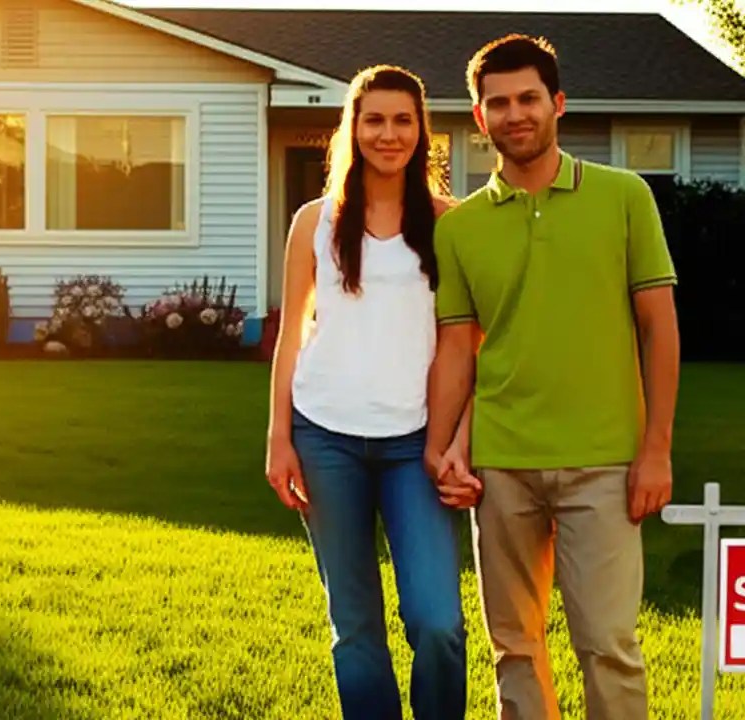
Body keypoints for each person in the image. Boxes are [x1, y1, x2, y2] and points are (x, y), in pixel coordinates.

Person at [426, 34, 681, 720]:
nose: (515, 114)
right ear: (480, 119)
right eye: (498, 103)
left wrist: (655, 447)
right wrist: (439, 444)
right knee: (514, 646)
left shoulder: (624, 198)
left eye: (529, 99)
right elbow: (458, 347)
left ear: (558, 104)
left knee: (607, 643)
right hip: (501, 464)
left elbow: (660, 328)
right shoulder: (460, 229)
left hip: (605, 461)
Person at [264, 64, 470, 720]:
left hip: (418, 445)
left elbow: (475, 347)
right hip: (324, 438)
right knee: (354, 629)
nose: (388, 134)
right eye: (374, 119)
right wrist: (279, 439)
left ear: (422, 131)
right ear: (353, 129)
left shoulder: (451, 223)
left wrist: (457, 440)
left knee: (437, 620)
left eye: (402, 120)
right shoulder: (313, 224)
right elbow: (290, 335)